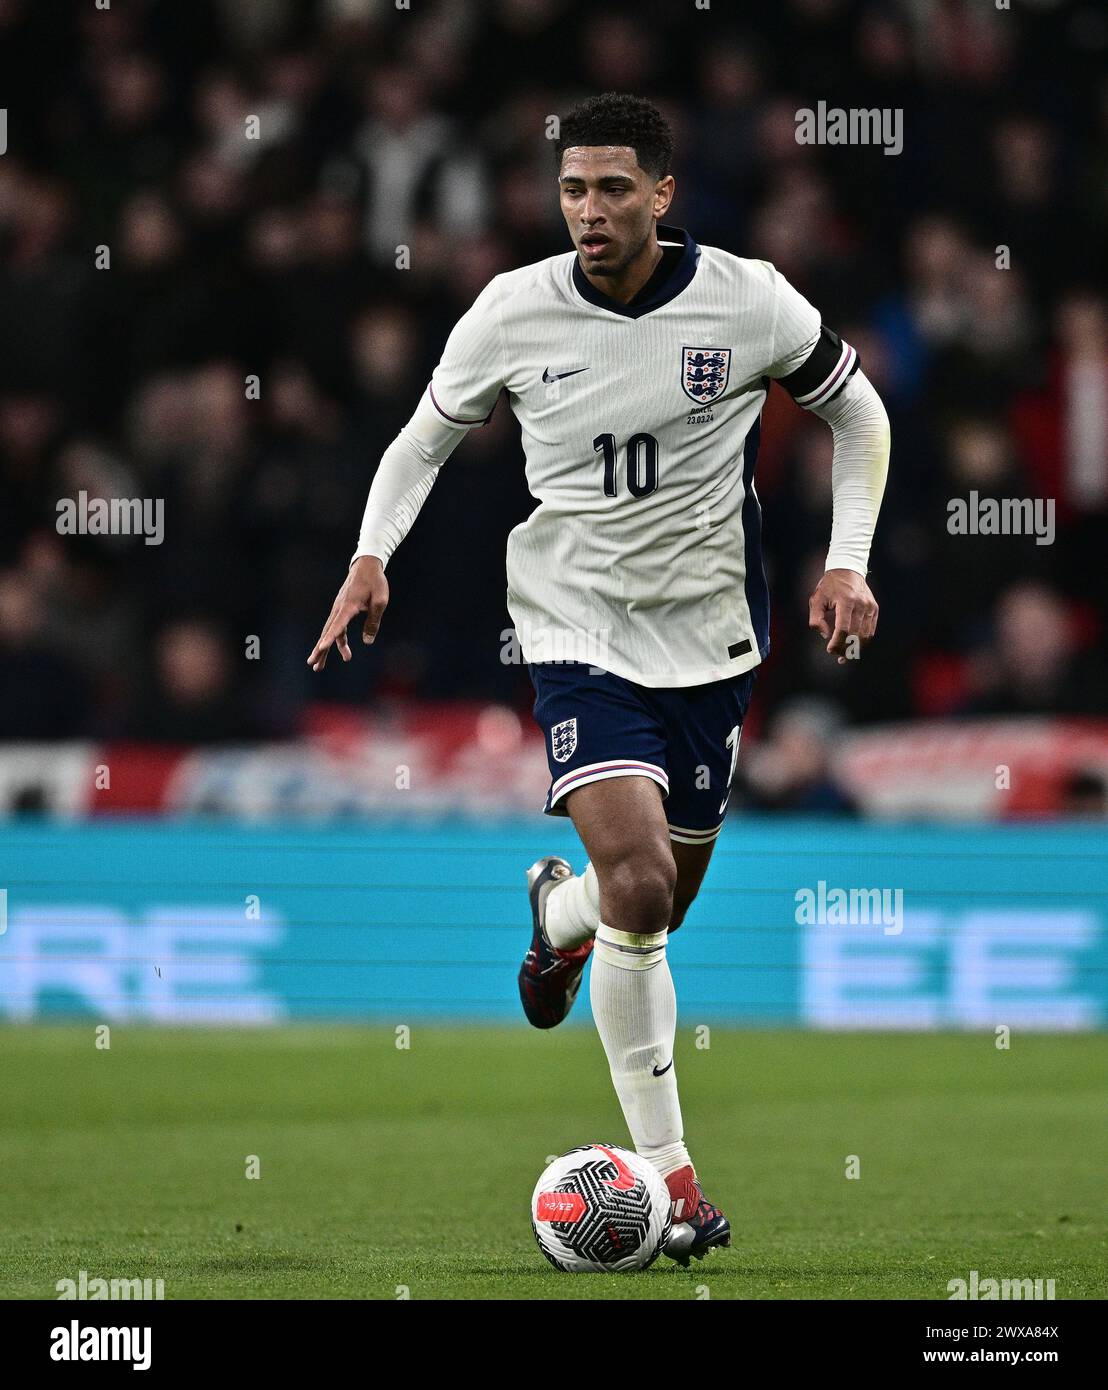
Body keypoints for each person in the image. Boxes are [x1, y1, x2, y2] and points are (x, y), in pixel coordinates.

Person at [308, 93, 889, 1264]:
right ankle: (675, 1185)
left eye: (614, 188)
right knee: (634, 880)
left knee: (649, 902)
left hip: (713, 640)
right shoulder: (512, 311)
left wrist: (848, 562)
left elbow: (859, 414)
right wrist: (370, 559)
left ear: (664, 195)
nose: (589, 210)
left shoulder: (751, 299)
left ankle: (551, 912)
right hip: (573, 628)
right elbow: (419, 440)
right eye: (573, 189)